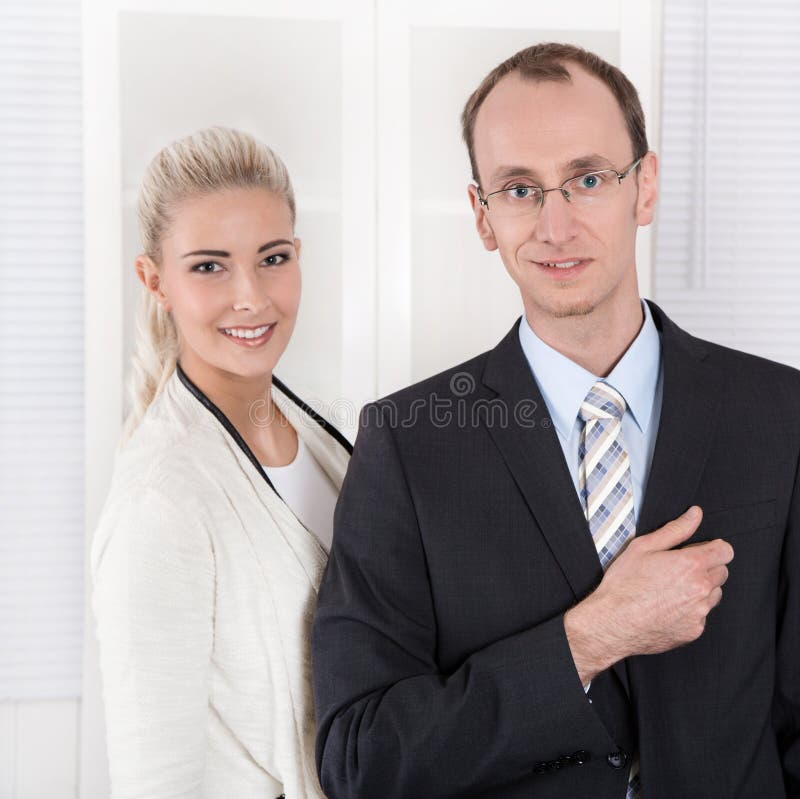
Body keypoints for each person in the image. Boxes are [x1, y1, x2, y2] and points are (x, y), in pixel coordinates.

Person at [312, 43, 800, 798]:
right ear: (482, 216)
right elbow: (361, 760)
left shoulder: (781, 415)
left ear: (645, 188)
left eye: (588, 179)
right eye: (519, 189)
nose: (556, 225)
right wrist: (589, 638)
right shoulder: (407, 445)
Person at [92, 127, 351, 799]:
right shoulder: (161, 501)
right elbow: (156, 782)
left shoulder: (334, 428)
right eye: (209, 265)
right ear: (155, 280)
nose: (251, 296)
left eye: (272, 257)